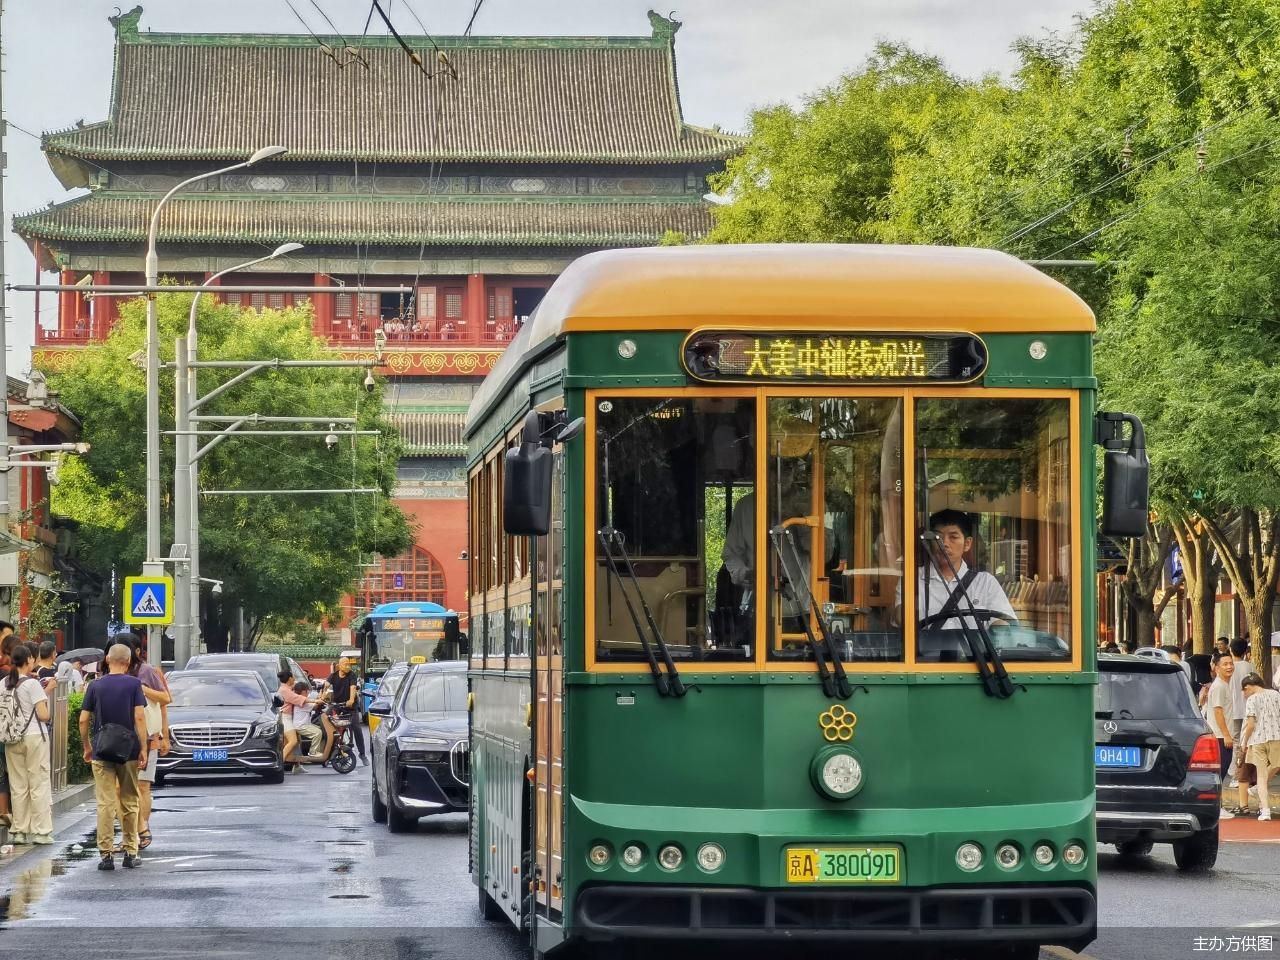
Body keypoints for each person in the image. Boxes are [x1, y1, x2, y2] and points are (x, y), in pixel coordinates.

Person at [79, 643, 147, 870]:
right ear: (128, 662)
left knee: (105, 803)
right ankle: (130, 852)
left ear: (107, 659)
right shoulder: (134, 684)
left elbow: (83, 720)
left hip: (101, 749)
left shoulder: (95, 686)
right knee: (129, 800)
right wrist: (144, 748)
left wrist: (87, 746)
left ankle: (106, 855)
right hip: (128, 751)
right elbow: (139, 717)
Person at [902, 509, 1016, 629]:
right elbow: (900, 619)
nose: (944, 543)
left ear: (967, 544)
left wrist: (1001, 629)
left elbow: (1003, 624)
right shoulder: (912, 580)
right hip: (926, 648)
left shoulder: (985, 583)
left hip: (973, 648)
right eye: (937, 537)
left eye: (953, 537)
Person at [2, 644, 53, 844]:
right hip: (33, 737)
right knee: (38, 783)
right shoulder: (32, 684)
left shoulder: (3, 683)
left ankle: (19, 831)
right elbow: (43, 715)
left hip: (11, 739)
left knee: (18, 785)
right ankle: (41, 832)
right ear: (30, 660)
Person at [124, 637, 170, 851]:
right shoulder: (113, 670)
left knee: (142, 786)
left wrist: (165, 737)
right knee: (122, 789)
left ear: (136, 650)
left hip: (149, 738)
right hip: (121, 739)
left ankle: (142, 831)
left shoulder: (149, 672)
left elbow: (165, 700)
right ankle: (131, 832)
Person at [1239, 673, 1280, 822]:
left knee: (1261, 777)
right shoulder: (1276, 694)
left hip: (1257, 739)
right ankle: (1263, 805)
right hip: (1276, 736)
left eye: (1244, 690)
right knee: (1276, 765)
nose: (1244, 694)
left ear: (1248, 687)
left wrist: (1244, 742)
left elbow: (1251, 724)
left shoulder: (1251, 699)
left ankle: (1266, 810)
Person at [1205, 652, 1237, 817]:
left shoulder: (1223, 684)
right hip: (1219, 736)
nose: (1229, 666)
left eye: (1231, 663)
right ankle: (1216, 808)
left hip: (1221, 735)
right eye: (1225, 664)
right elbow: (1218, 712)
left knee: (1220, 772)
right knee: (1219, 772)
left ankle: (1217, 806)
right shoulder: (1219, 686)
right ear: (1216, 668)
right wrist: (1226, 735)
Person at [325, 656, 367, 765]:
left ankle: (362, 754)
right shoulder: (333, 676)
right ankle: (328, 753)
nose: (348, 666)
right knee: (326, 720)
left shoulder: (352, 675)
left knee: (356, 727)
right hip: (337, 706)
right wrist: (323, 694)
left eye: (349, 664)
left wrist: (351, 699)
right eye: (345, 664)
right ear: (339, 666)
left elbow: (353, 688)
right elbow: (326, 685)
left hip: (350, 706)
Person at [276, 670, 311, 772]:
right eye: (293, 677)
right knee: (293, 741)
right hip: (285, 718)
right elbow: (296, 698)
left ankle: (297, 766)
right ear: (289, 678)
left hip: (288, 718)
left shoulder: (287, 688)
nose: (294, 679)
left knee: (296, 742)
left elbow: (296, 687)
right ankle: (279, 763)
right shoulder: (284, 690)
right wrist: (315, 700)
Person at [1228, 638, 1250, 786]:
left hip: (1232, 711)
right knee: (1245, 742)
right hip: (1248, 710)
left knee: (1236, 743)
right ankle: (1243, 775)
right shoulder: (1249, 667)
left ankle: (1236, 775)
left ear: (1230, 650)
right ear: (1245, 651)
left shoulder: (1227, 667)